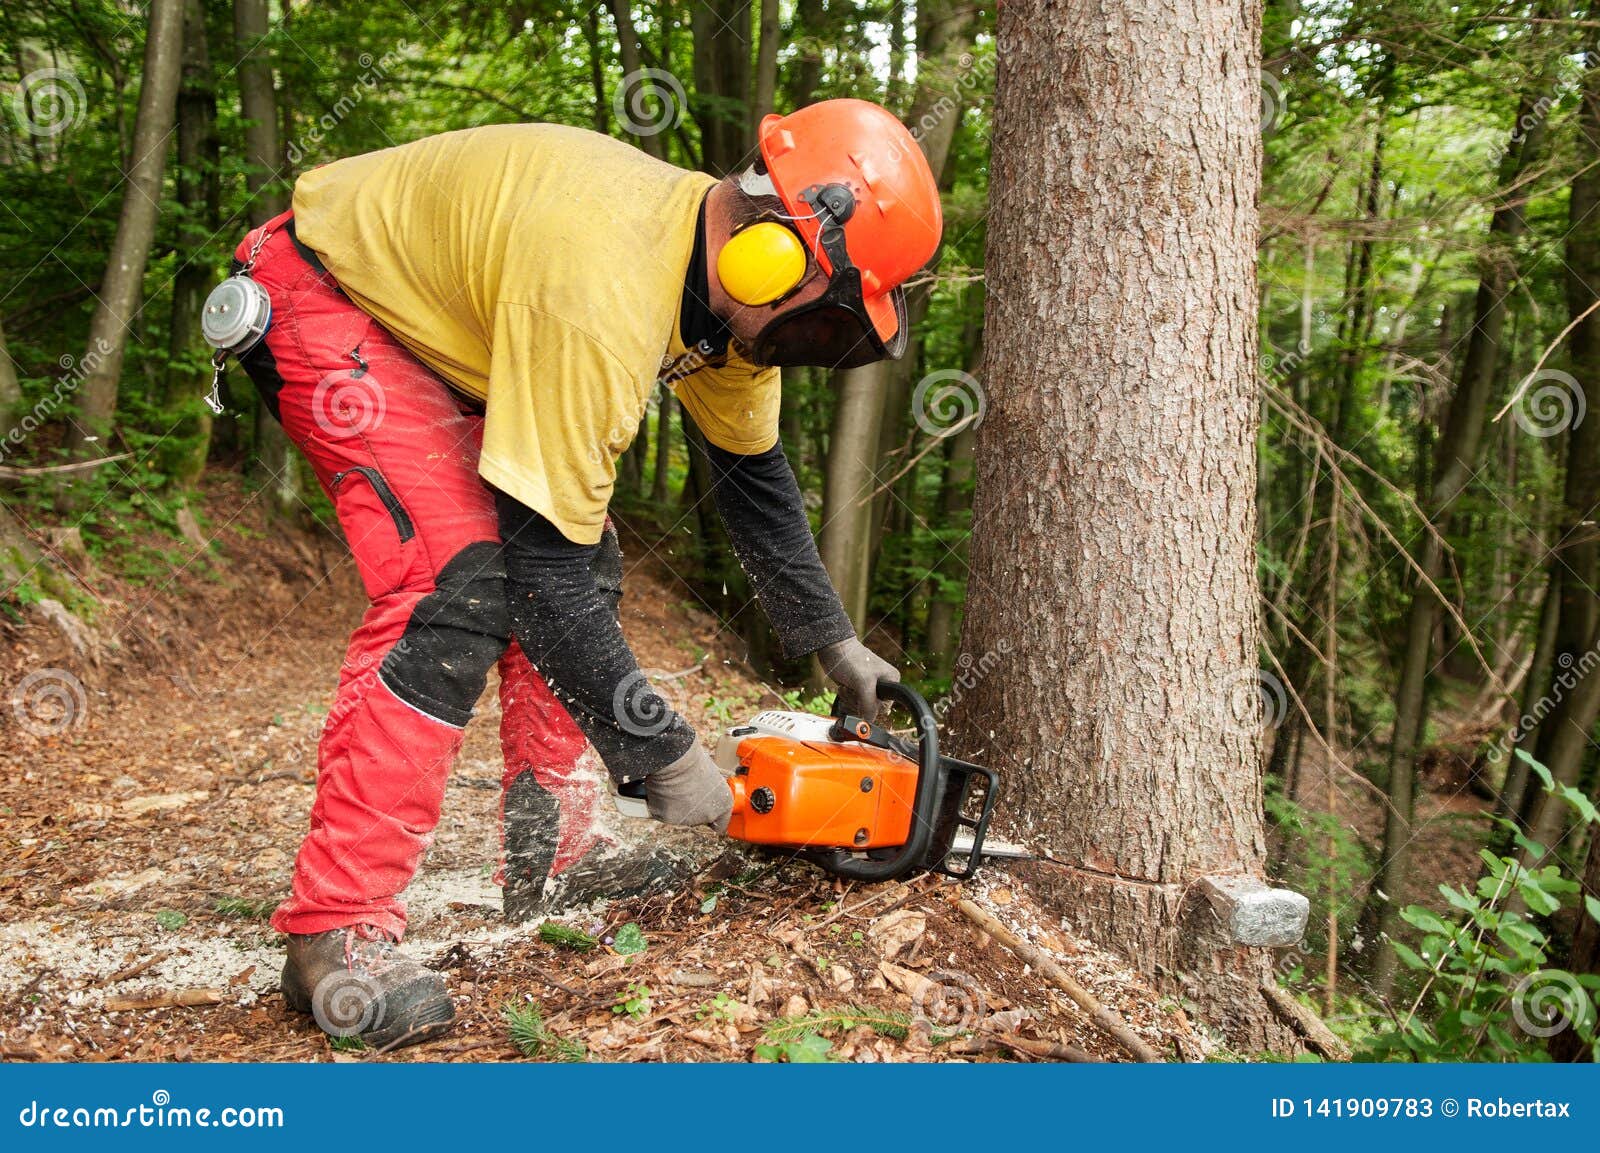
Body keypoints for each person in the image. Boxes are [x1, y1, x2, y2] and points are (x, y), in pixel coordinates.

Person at [225, 98, 942, 1049]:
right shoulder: (604, 282)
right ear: (771, 251)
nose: (813, 344)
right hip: (326, 295)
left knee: (579, 554)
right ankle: (333, 928)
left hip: (447, 342)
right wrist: (666, 760)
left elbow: (752, 480)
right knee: (462, 578)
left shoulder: (724, 307)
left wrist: (833, 640)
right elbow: (540, 584)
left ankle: (551, 854)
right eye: (825, 317)